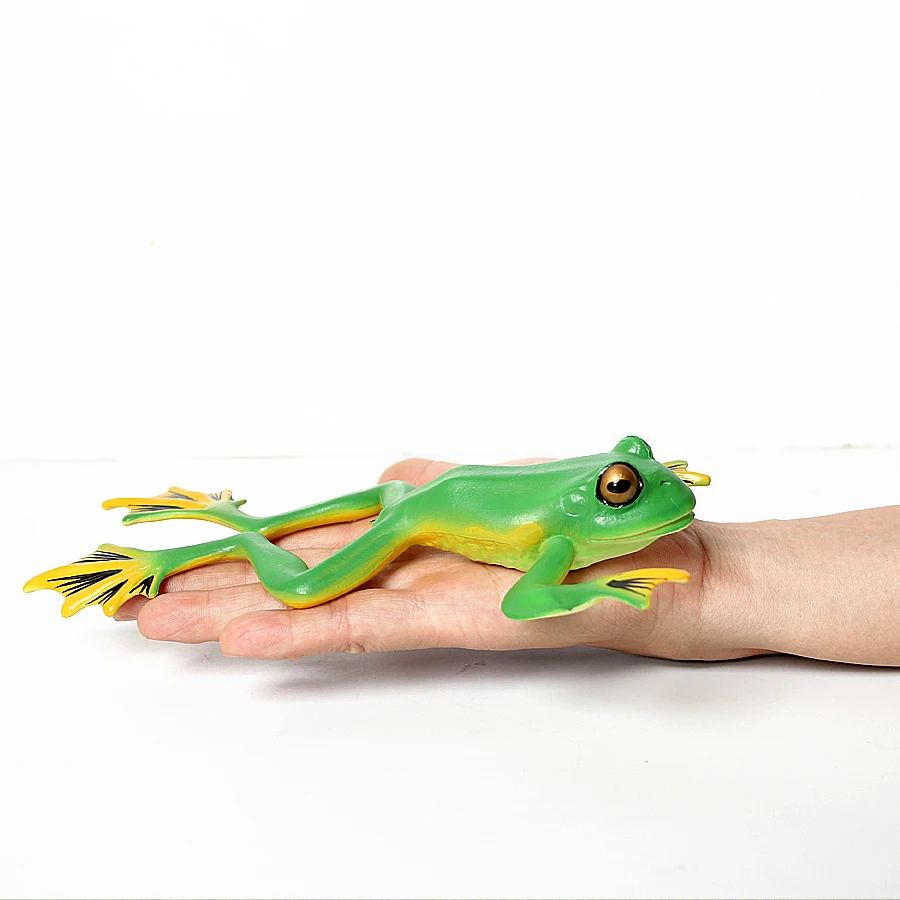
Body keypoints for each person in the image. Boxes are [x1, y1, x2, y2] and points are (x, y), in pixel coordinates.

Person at [112, 457, 900, 667]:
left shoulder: (577, 520)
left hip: (444, 492)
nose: (638, 492)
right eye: (624, 487)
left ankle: (220, 518)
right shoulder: (561, 545)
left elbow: (519, 599)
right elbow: (525, 603)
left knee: (362, 505)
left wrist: (655, 498)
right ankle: (230, 525)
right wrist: (610, 584)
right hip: (424, 513)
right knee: (307, 586)